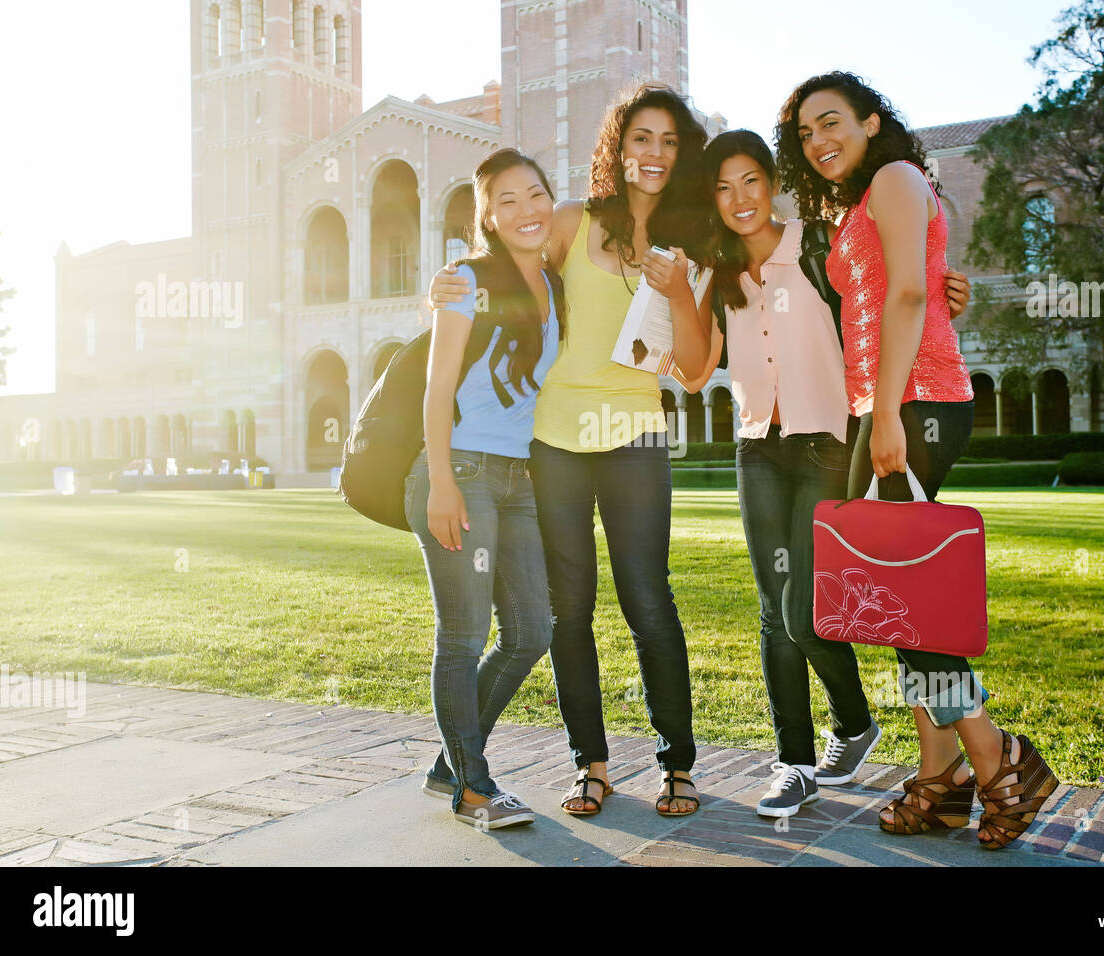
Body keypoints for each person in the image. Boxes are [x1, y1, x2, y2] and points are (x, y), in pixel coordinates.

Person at [774, 71, 1059, 848]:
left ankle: (994, 756)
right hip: (885, 403)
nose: (818, 141)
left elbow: (904, 298)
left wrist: (893, 407)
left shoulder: (899, 177)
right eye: (804, 132)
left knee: (904, 596)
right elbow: (902, 288)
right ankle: (941, 779)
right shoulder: (856, 202)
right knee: (897, 596)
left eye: (831, 122)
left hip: (919, 398)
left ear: (871, 122)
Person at [429, 84, 714, 817]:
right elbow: (506, 259)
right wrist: (451, 282)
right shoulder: (570, 220)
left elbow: (696, 369)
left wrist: (679, 290)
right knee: (568, 613)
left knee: (649, 603)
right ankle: (590, 762)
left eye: (668, 142)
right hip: (553, 442)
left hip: (636, 439)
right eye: (639, 139)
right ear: (618, 149)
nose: (652, 155)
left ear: (681, 155)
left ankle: (677, 764)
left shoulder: (690, 244)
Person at [673, 129, 971, 818]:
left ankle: (866, 724)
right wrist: (677, 292)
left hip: (831, 445)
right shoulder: (714, 272)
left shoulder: (817, 243)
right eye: (723, 187)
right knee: (774, 614)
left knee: (807, 610)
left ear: (771, 183)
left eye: (751, 181)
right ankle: (798, 762)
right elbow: (692, 374)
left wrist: (944, 293)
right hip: (758, 449)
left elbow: (885, 304)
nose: (739, 198)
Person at [409, 148, 567, 830]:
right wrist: (442, 482)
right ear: (489, 218)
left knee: (532, 630)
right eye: (507, 201)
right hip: (461, 474)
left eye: (535, 194)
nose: (526, 209)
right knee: (465, 635)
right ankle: (473, 786)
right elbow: (437, 388)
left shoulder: (556, 289)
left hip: (519, 479)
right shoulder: (468, 281)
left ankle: (453, 757)